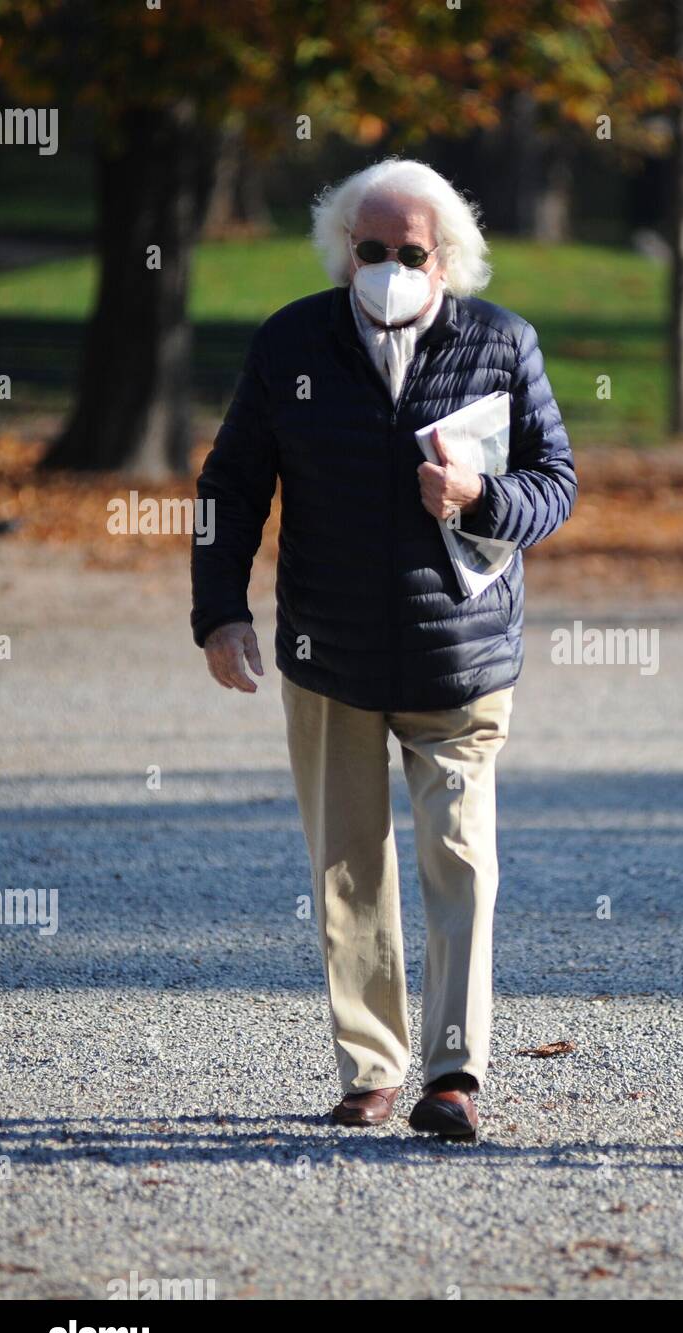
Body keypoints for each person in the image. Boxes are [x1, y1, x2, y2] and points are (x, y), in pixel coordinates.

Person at [190, 157, 576, 1138]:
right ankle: (371, 1067)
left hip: (462, 656)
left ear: (447, 260)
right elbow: (232, 482)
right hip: (332, 656)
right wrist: (218, 611)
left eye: (413, 251)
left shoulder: (501, 343)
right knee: (346, 870)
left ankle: (453, 1074)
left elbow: (555, 484)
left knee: (460, 859)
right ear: (342, 254)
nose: (393, 265)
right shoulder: (292, 343)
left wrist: (480, 498)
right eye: (374, 249)